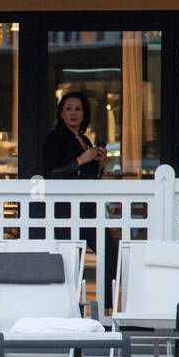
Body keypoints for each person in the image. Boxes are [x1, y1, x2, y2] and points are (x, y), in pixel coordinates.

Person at [39, 90, 117, 294]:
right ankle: (72, 309)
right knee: (70, 260)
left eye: (78, 109)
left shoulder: (86, 140)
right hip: (66, 209)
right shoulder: (55, 138)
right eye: (68, 109)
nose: (73, 113)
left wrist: (100, 163)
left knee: (111, 253)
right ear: (61, 114)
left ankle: (106, 306)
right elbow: (51, 173)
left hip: (89, 209)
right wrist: (81, 160)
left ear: (84, 114)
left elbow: (91, 177)